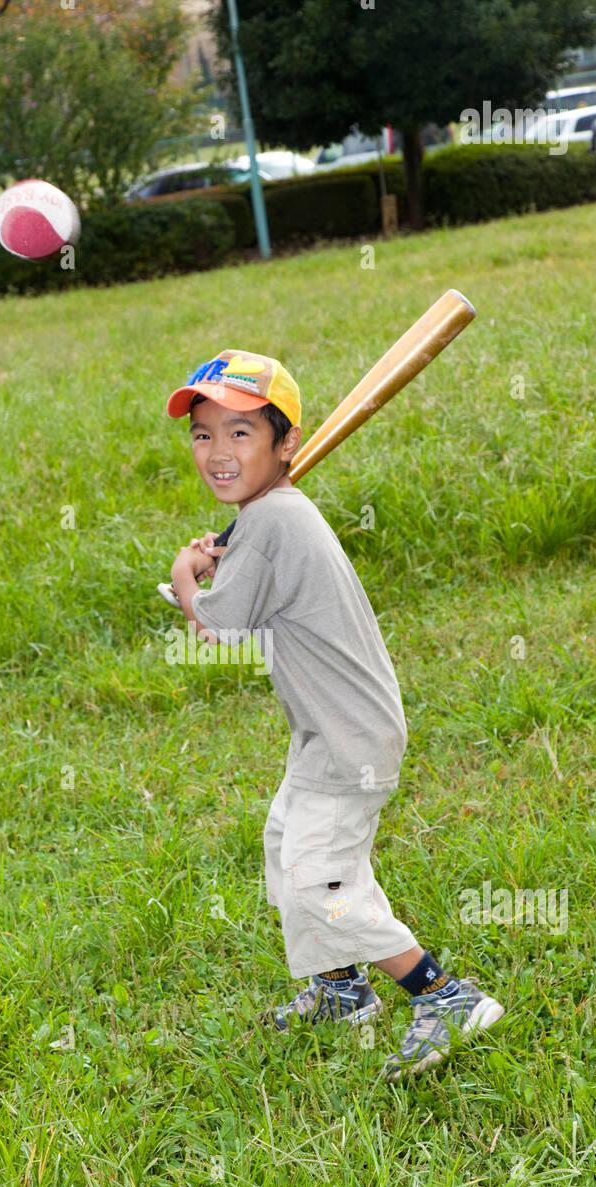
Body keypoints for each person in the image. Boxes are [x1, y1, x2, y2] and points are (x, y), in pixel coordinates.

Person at [166, 350, 505, 1081]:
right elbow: (246, 600)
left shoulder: (273, 520)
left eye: (241, 434)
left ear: (286, 444)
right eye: (203, 435)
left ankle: (444, 996)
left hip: (348, 739)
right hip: (330, 732)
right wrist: (217, 570)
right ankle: (340, 989)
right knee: (288, 846)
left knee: (321, 878)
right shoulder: (271, 517)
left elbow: (219, 627)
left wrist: (185, 574)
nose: (217, 452)